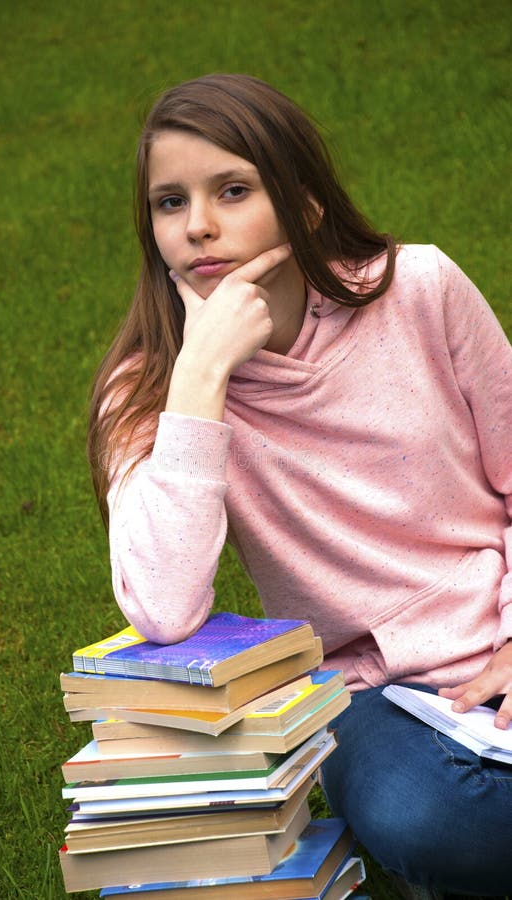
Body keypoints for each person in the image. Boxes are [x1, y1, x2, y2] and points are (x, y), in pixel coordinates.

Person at [87, 74, 512, 898]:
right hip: (373, 694)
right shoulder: (148, 390)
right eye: (170, 202)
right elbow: (164, 609)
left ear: (305, 205)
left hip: (497, 621)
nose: (198, 224)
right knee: (421, 817)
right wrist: (201, 377)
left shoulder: (419, 289)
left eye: (232, 190)